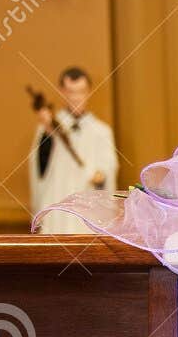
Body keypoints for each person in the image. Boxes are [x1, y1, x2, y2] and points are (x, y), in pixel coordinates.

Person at [28, 67, 117, 234]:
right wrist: (48, 133)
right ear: (62, 92)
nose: (76, 98)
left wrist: (102, 176)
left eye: (81, 92)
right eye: (71, 92)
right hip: (58, 207)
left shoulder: (101, 131)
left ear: (89, 92)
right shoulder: (49, 128)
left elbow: (109, 167)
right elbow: (40, 166)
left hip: (87, 208)